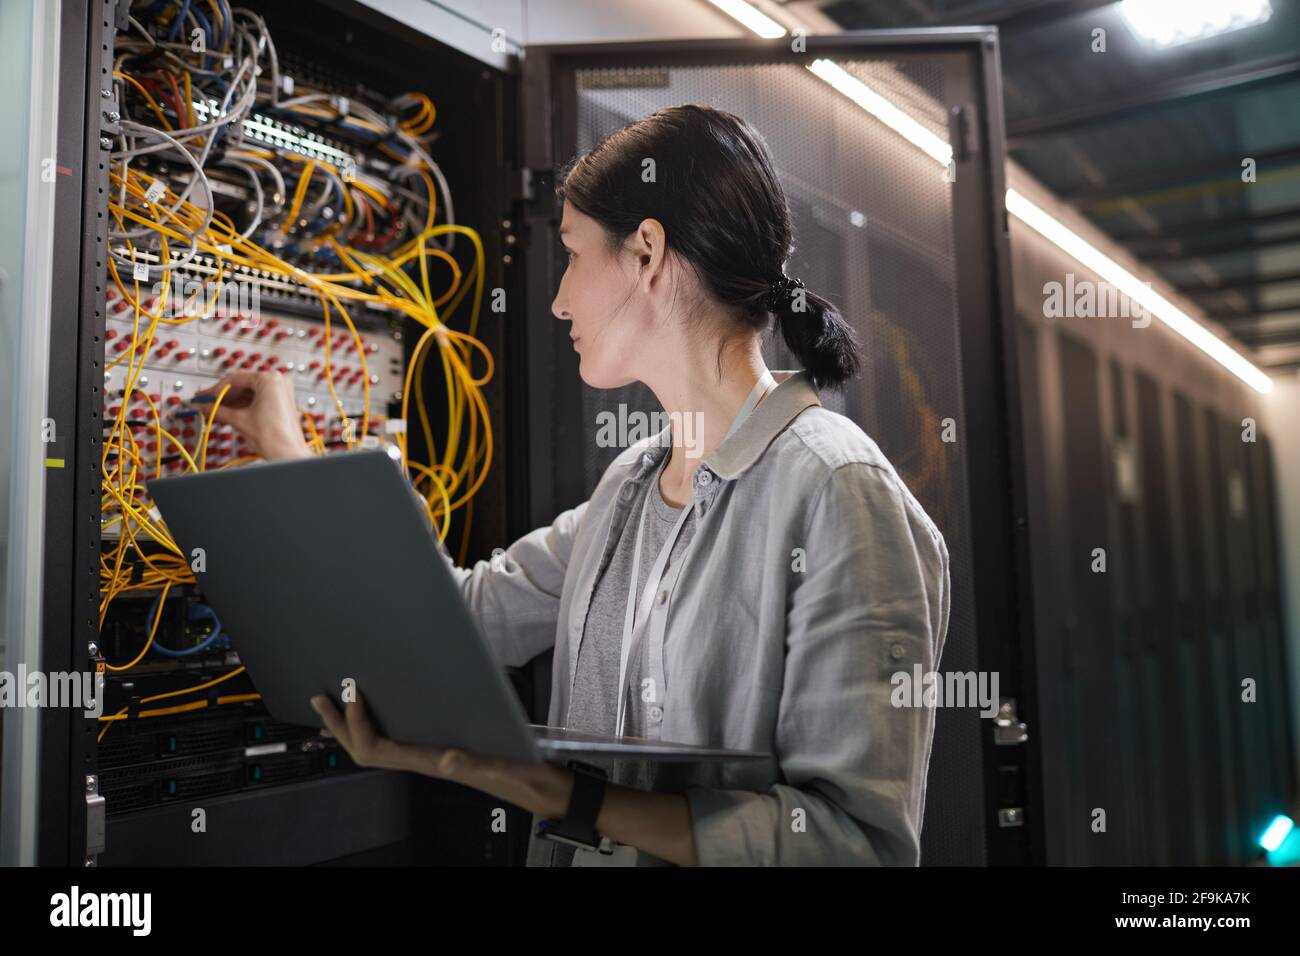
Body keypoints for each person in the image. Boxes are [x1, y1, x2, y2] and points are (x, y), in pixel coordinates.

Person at [194, 104, 950, 867]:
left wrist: (566, 798)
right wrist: (296, 458)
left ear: (646, 252)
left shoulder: (838, 492)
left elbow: (855, 847)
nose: (558, 299)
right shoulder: (632, 485)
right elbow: (466, 619)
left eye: (573, 254)